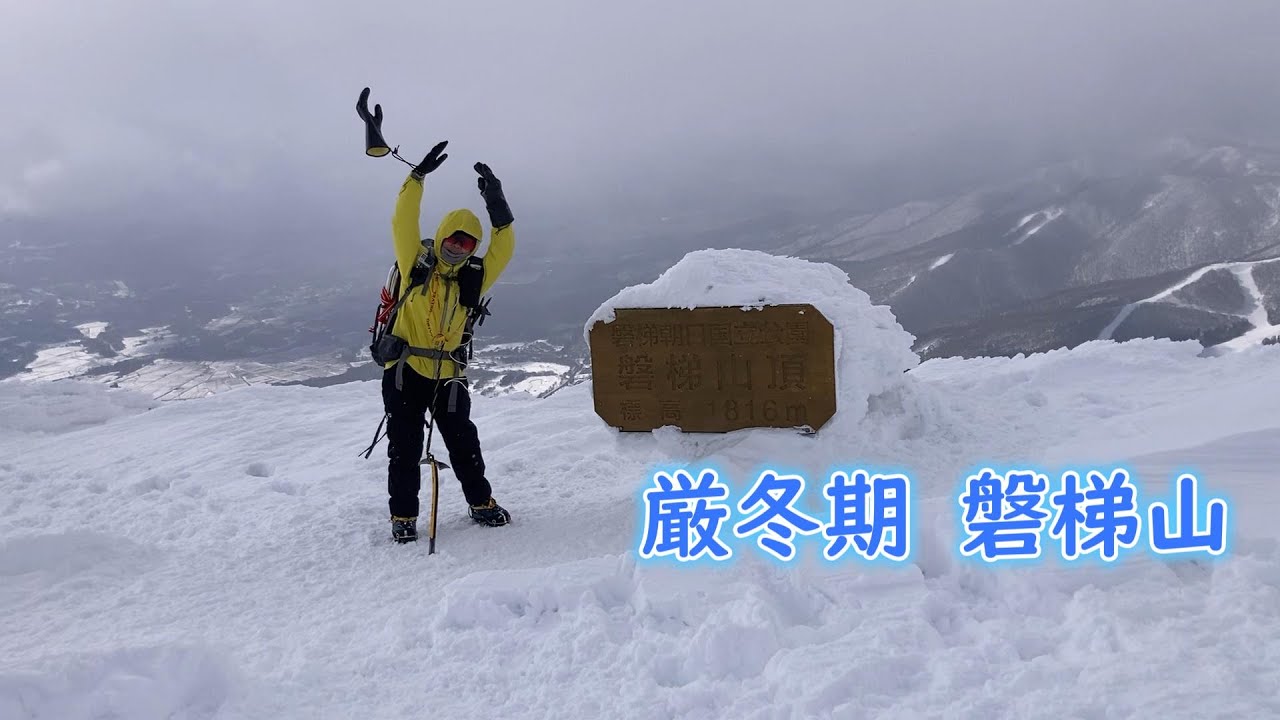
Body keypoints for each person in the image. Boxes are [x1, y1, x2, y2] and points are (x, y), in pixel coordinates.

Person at [381, 140, 515, 543]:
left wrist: (497, 202)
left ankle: (481, 502)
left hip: (449, 376)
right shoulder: (414, 266)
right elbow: (403, 220)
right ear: (440, 237)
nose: (458, 247)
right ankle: (403, 517)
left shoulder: (472, 281)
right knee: (405, 448)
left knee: (463, 442)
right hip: (405, 371)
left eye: (467, 243)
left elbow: (504, 247)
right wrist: (416, 178)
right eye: (453, 239)